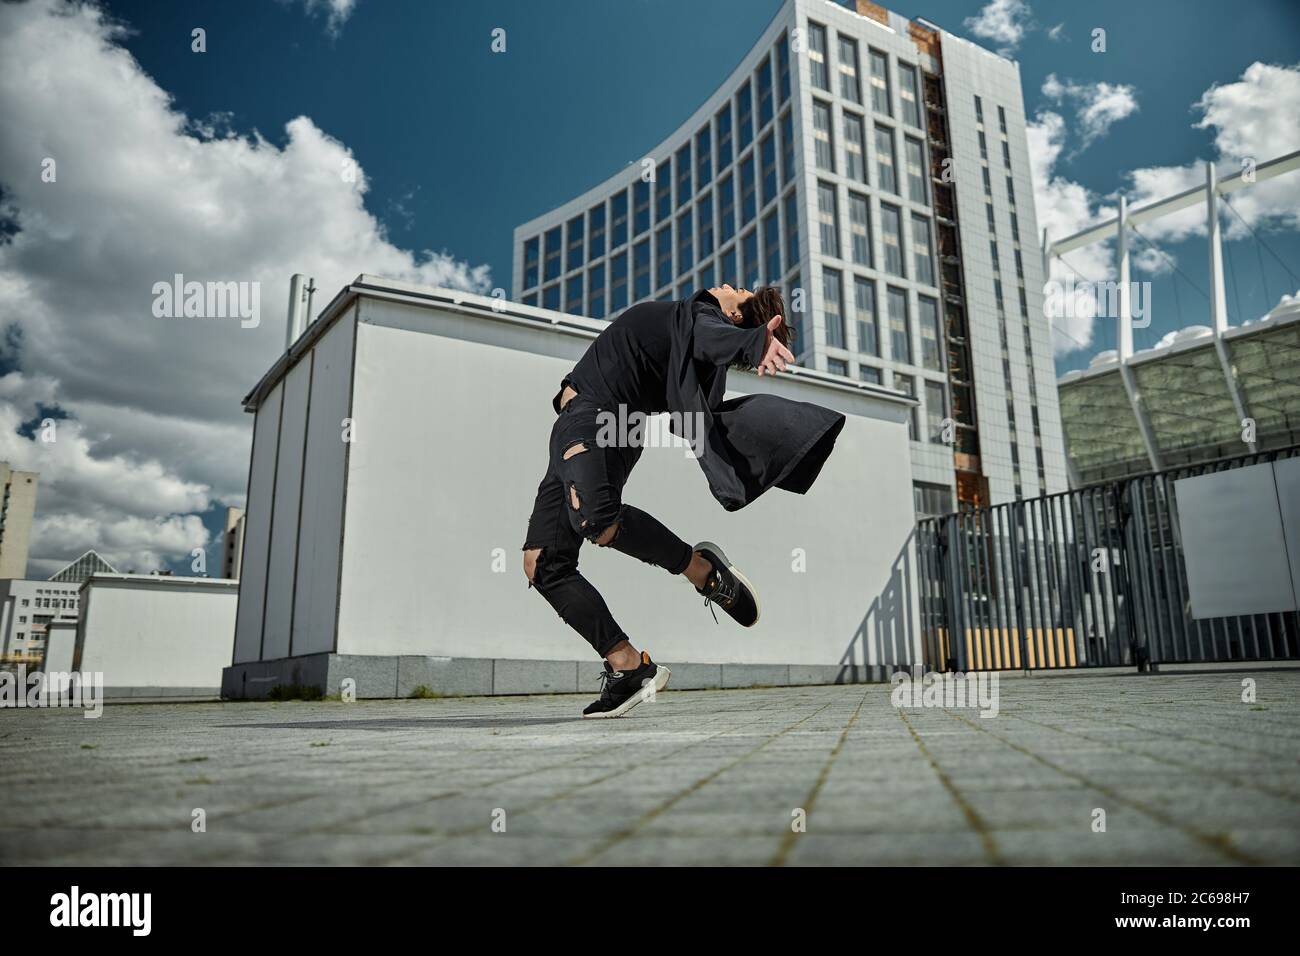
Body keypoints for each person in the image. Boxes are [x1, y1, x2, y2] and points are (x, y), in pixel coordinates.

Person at [522, 284, 845, 718]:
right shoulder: (690, 333)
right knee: (543, 562)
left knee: (598, 521)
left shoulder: (697, 316)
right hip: (578, 428)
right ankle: (628, 667)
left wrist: (752, 341)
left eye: (741, 294)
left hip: (598, 424)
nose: (732, 286)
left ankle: (702, 570)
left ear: (732, 317)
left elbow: (710, 335)